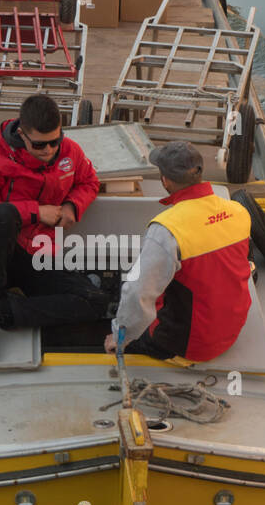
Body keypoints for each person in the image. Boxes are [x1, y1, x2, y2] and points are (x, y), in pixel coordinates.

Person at [0, 93, 109, 355]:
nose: (50, 150)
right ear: (22, 134)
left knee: (95, 301)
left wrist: (73, 205)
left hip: (36, 255)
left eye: (55, 141)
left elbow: (89, 182)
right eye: (41, 145)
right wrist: (35, 212)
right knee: (2, 215)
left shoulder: (70, 151)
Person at [105, 141, 252, 363]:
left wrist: (119, 337)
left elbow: (138, 294)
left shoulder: (166, 229)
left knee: (128, 288)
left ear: (165, 180)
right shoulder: (238, 211)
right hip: (231, 330)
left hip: (190, 344)